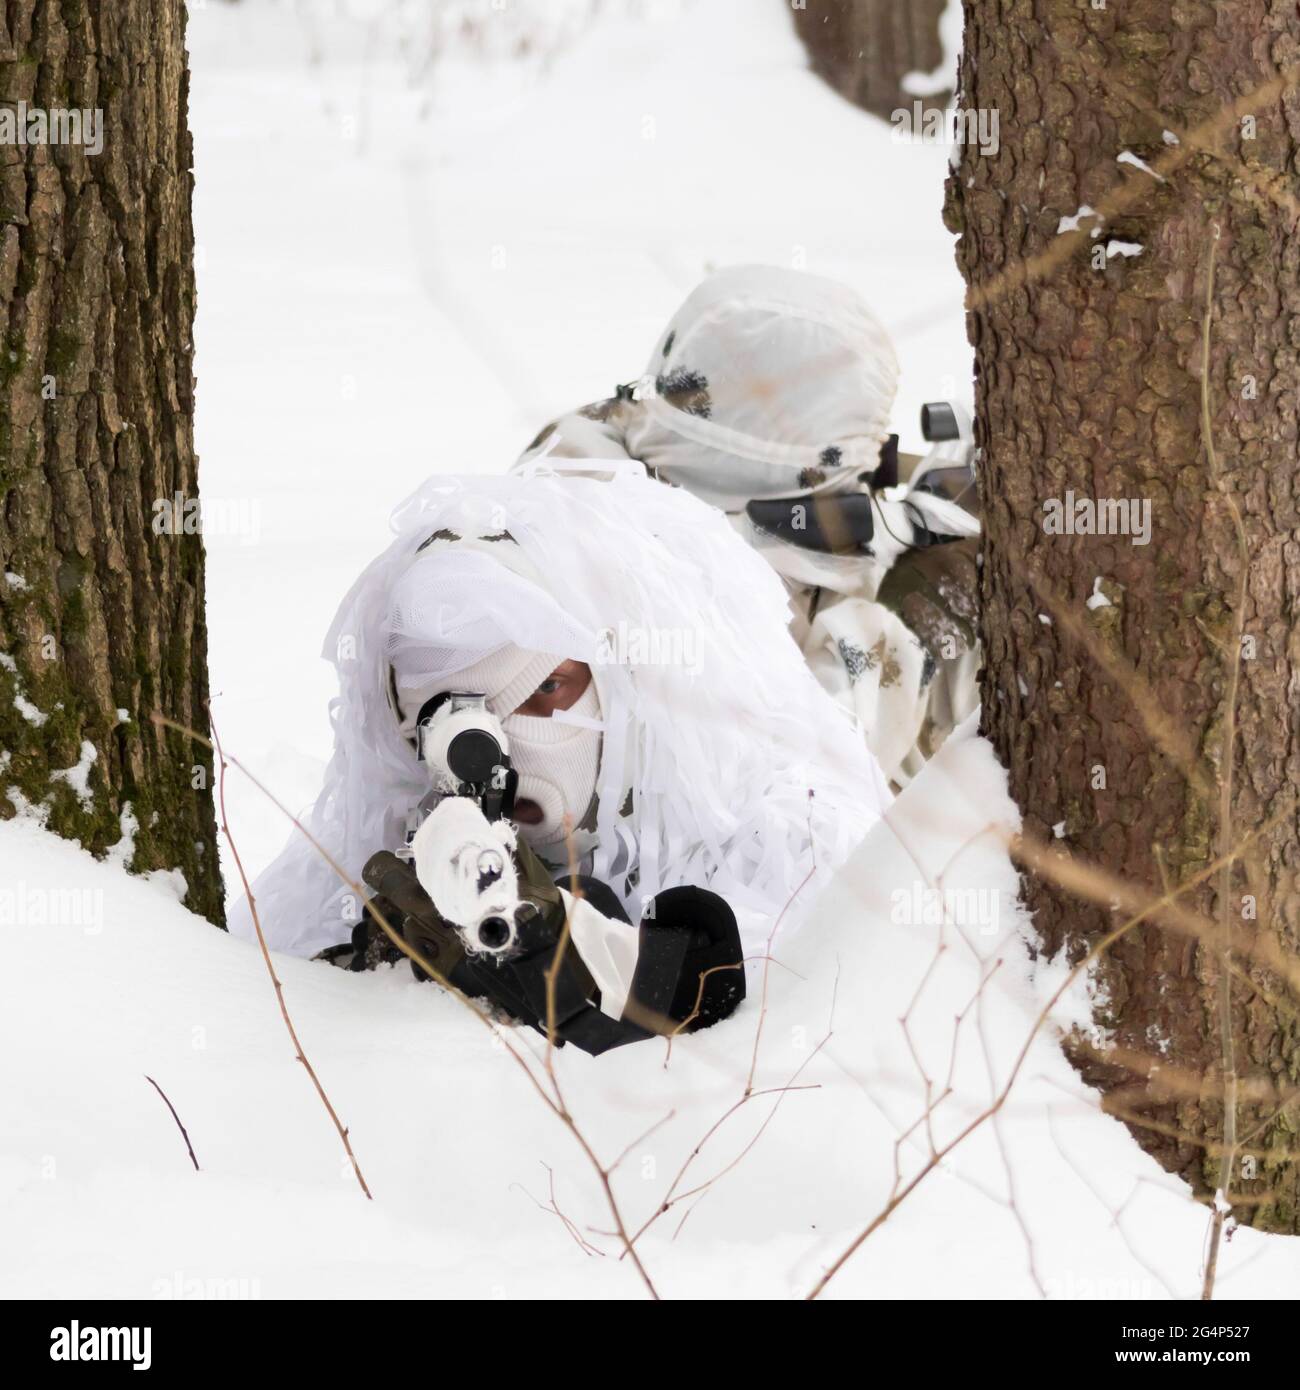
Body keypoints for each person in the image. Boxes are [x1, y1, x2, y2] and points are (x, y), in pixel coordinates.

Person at [229, 463, 891, 1049]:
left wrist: (607, 977)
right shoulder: (391, 865)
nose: (512, 744)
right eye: (454, 715)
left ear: (623, 684)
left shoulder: (783, 831)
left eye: (547, 689)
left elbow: (801, 1026)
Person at [516, 264, 981, 787]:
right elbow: (786, 781)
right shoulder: (616, 564)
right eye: (847, 464)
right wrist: (914, 625)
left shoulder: (628, 441)